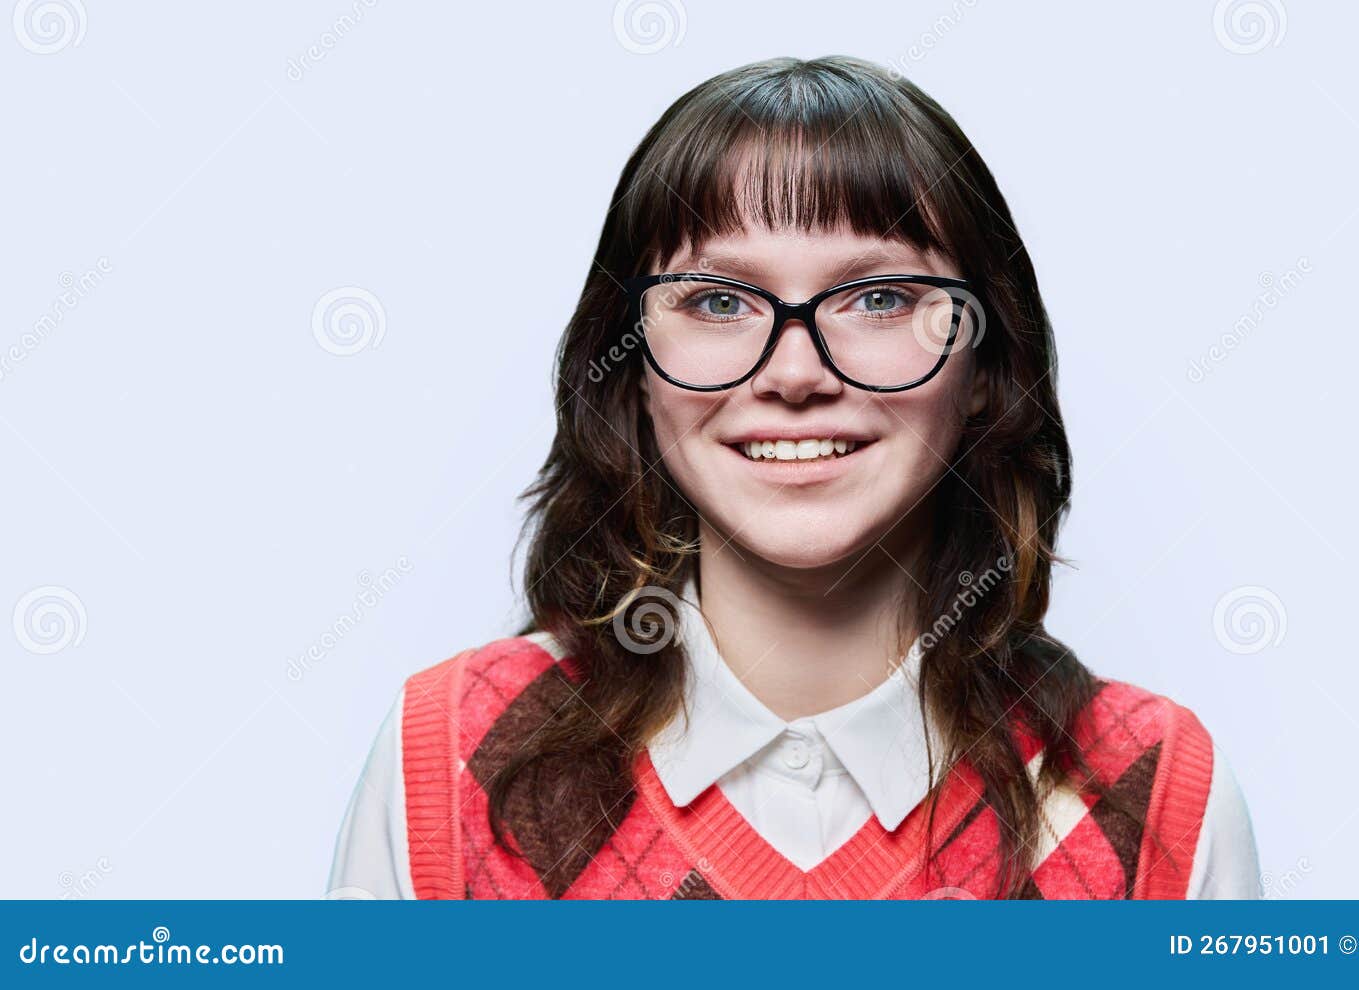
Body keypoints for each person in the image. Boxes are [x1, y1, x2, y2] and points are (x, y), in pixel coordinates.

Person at [328, 55, 1259, 900]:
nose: (796, 373)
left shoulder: (1147, 785)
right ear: (634, 369)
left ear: (982, 370)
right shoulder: (453, 753)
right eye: (719, 301)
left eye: (880, 298)